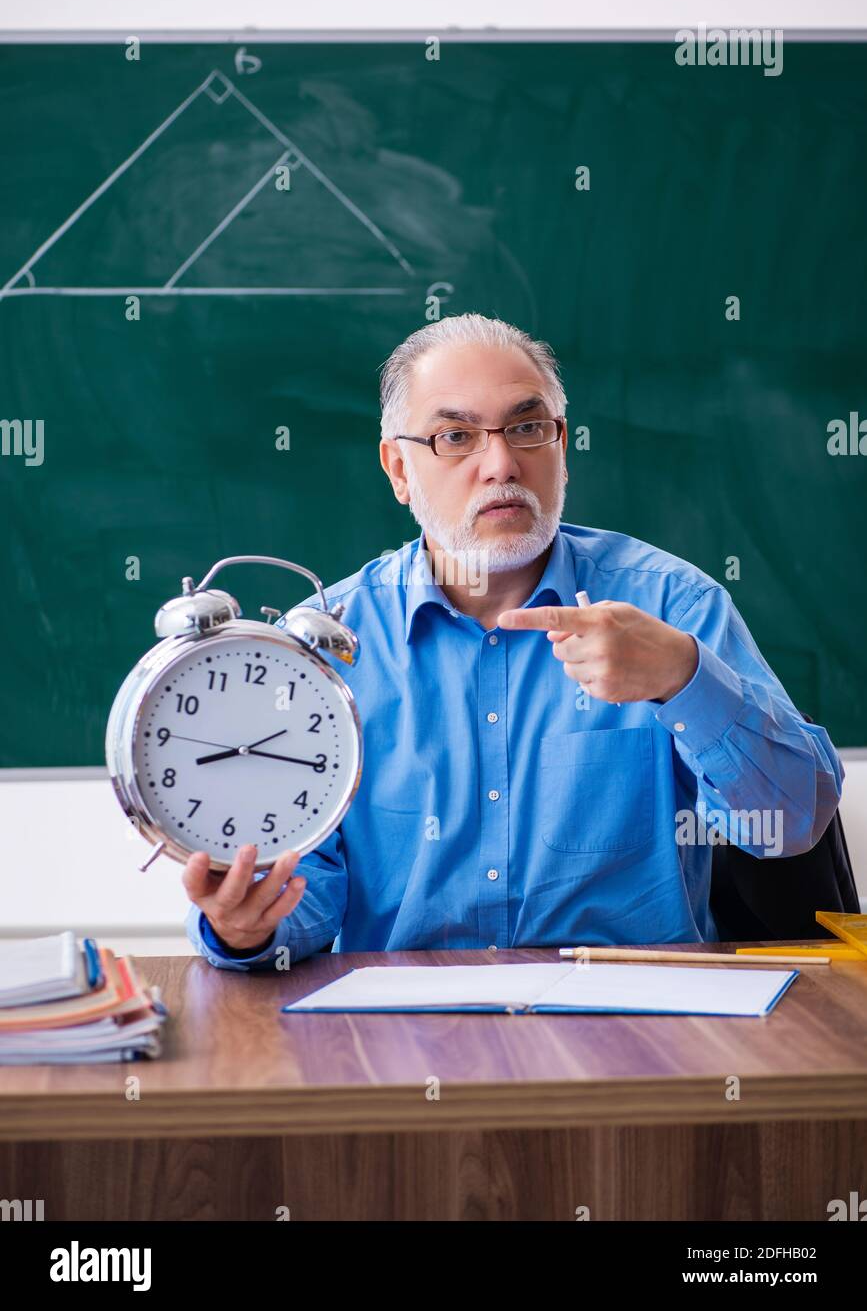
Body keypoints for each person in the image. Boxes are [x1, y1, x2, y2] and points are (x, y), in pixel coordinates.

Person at [184, 313, 843, 969]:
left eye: (527, 428)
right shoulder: (320, 650)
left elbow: (788, 827)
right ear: (398, 469)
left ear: (560, 445)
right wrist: (247, 928)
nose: (500, 464)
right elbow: (301, 895)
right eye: (454, 436)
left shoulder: (673, 605)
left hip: (638, 1033)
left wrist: (687, 678)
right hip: (403, 1037)